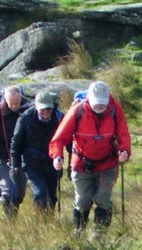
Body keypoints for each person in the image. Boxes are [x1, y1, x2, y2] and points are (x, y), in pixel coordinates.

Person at [48, 80, 130, 230]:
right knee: (83, 200)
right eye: (96, 103)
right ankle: (79, 232)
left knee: (102, 198)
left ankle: (100, 235)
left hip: (107, 164)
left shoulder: (114, 109)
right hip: (81, 164)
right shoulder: (77, 111)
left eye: (102, 103)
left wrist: (124, 151)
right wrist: (57, 156)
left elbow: (123, 134)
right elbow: (59, 138)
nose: (100, 106)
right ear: (89, 100)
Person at [12, 89, 64, 215]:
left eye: (48, 109)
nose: (46, 112)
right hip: (32, 163)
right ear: (36, 107)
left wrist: (71, 159)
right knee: (40, 193)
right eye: (42, 109)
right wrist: (16, 166)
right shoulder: (26, 118)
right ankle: (40, 221)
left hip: (52, 162)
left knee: (51, 196)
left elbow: (67, 138)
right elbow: (16, 143)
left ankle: (49, 221)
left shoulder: (59, 117)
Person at [0, 85, 30, 215]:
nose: (14, 106)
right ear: (5, 100)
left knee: (19, 191)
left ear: (21, 98)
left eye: (17, 103)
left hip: (21, 157)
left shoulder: (28, 109)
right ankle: (9, 219)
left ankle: (13, 209)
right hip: (2, 155)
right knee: (8, 188)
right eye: (11, 103)